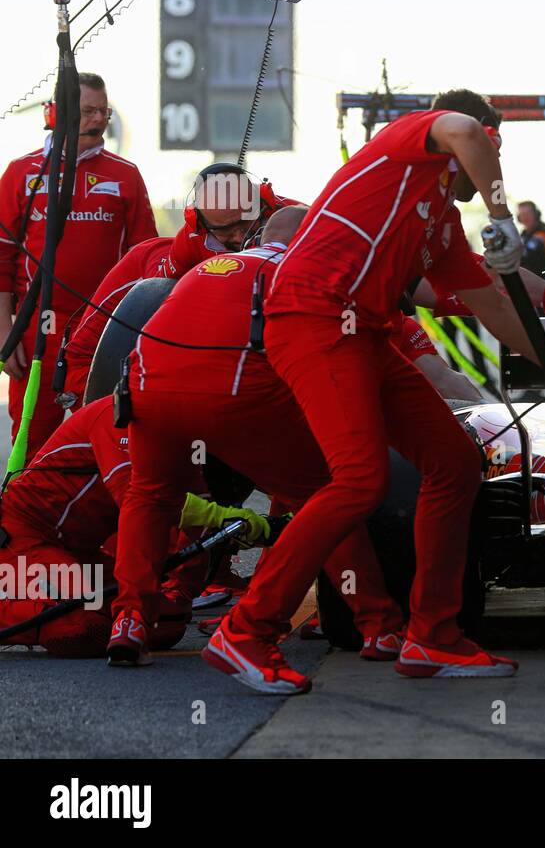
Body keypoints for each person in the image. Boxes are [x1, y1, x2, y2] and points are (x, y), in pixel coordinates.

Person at [200, 89, 545, 693]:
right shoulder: (411, 141)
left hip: (364, 331)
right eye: (496, 147)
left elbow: (492, 304)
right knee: (359, 480)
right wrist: (499, 213)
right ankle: (246, 629)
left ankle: (433, 636)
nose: (495, 162)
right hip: (313, 318)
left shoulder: (439, 224)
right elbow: (465, 128)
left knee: (454, 463)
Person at [107, 207, 410, 671]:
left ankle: (129, 621)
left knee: (148, 498)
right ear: (310, 240)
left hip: (146, 389)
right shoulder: (299, 275)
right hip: (230, 391)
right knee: (324, 498)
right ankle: (379, 625)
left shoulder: (207, 268)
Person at [0, 395, 266, 658]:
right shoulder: (116, 416)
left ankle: (63, 602)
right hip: (25, 538)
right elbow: (139, 500)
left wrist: (181, 590)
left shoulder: (179, 430)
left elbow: (197, 521)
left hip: (78, 551)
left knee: (167, 623)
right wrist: (221, 517)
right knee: (81, 628)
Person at [0, 72, 157, 453]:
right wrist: (5, 331)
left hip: (105, 329)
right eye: (88, 111)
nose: (98, 120)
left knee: (113, 436)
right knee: (32, 441)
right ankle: (22, 507)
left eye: (103, 111)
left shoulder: (125, 174)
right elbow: (2, 258)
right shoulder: (23, 173)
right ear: (58, 111)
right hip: (39, 328)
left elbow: (150, 261)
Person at [60, 170, 295, 412]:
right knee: (80, 354)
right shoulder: (188, 241)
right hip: (178, 290)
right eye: (227, 230)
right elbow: (152, 299)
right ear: (199, 224)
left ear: (264, 203)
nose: (240, 235)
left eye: (246, 224)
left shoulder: (295, 221)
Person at [516, 200, 545, 277]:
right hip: (526, 279)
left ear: (536, 214)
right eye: (522, 214)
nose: (525, 217)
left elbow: (527, 257)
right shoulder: (524, 234)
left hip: (539, 281)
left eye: (528, 213)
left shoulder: (543, 234)